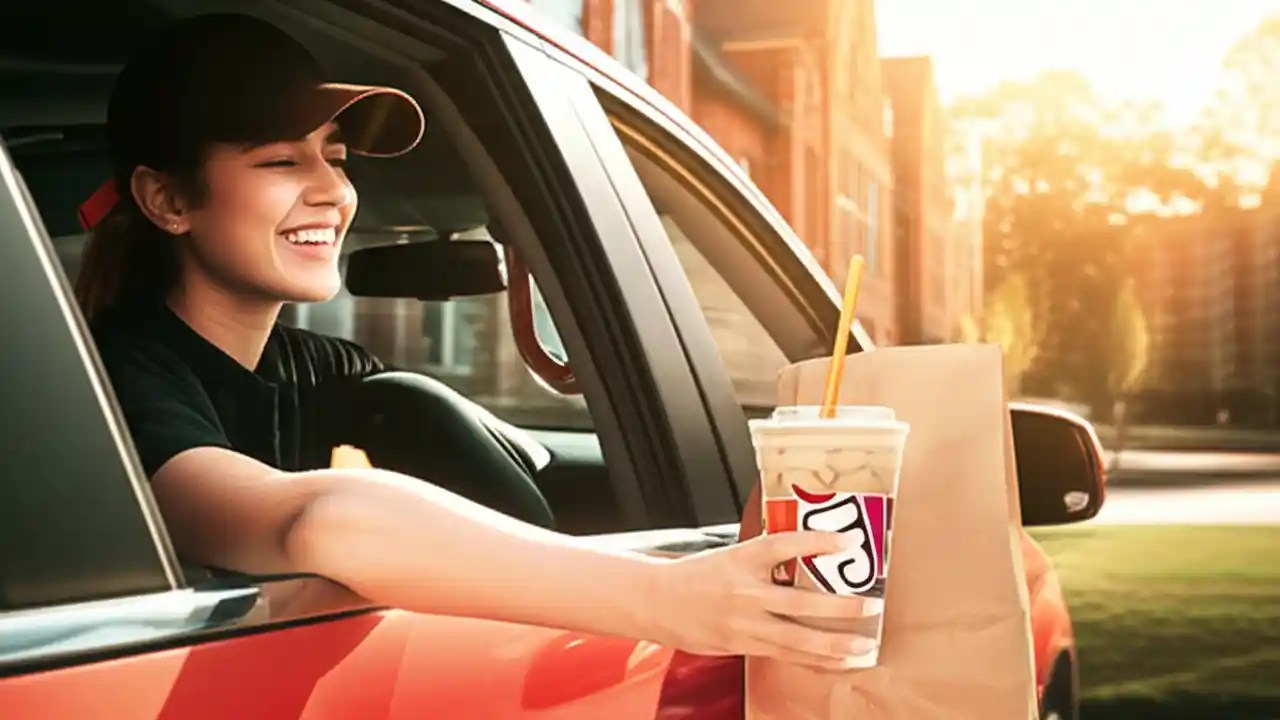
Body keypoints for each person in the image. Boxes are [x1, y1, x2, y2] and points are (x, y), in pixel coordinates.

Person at [76, 13, 878, 671]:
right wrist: (672, 599)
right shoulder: (113, 384)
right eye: (282, 159)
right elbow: (318, 524)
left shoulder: (313, 367)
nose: (333, 190)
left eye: (337, 157)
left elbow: (424, 435)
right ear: (167, 199)